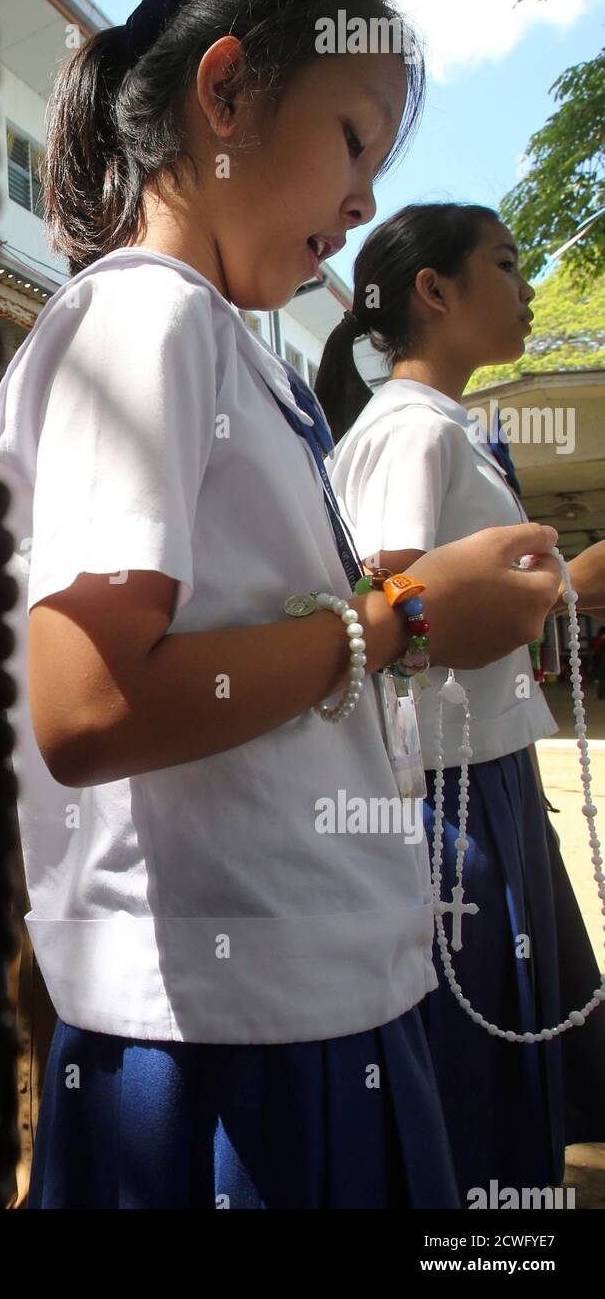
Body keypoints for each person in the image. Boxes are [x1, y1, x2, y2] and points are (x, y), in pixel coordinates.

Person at [0, 0, 564, 1209]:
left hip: (294, 1004)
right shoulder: (143, 319)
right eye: (353, 141)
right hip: (229, 1042)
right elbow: (85, 706)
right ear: (229, 92)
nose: (360, 203)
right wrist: (404, 616)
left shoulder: (225, 349)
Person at [321, 202, 605, 1200]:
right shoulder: (409, 430)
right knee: (477, 1058)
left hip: (479, 771)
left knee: (507, 1036)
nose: (527, 288)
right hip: (449, 787)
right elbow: (393, 602)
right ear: (433, 292)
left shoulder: (437, 428)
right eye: (508, 263)